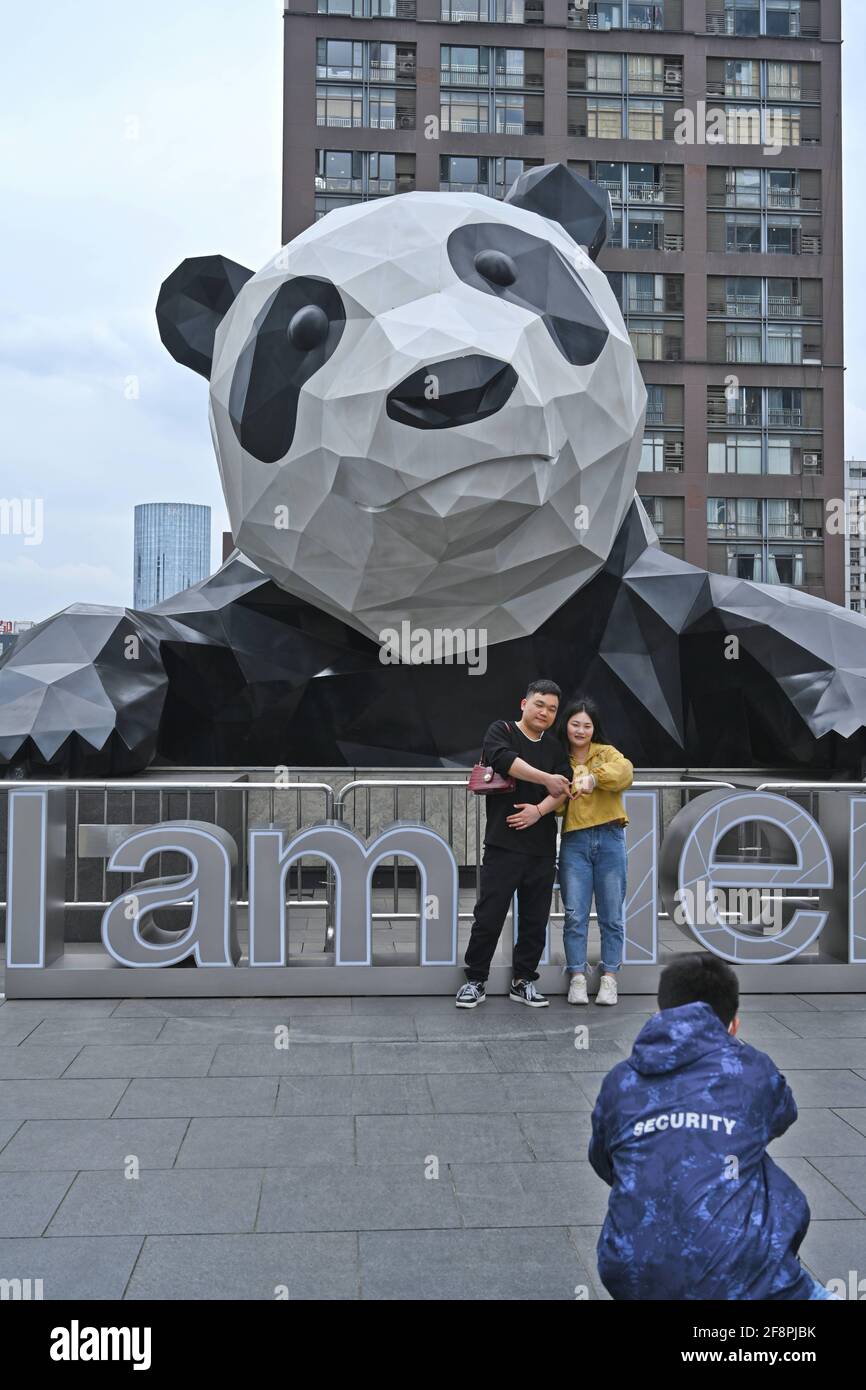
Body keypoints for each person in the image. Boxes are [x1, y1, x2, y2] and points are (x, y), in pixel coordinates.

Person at [588, 953, 839, 1300]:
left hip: (630, 1272)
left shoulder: (621, 1080)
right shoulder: (751, 1069)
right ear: (733, 1025)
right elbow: (783, 1115)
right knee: (752, 1164)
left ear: (660, 1013)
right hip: (741, 1275)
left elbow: (604, 1162)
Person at [456, 680, 573, 1009]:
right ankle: (475, 980)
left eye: (552, 709)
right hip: (502, 844)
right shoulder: (502, 730)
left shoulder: (554, 747)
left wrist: (538, 811)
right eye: (540, 704)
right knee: (489, 915)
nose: (545, 712)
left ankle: (524, 980)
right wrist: (546, 778)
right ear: (524, 703)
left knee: (535, 919)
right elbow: (505, 760)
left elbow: (564, 786)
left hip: (541, 847)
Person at [554, 696, 633, 1007]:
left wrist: (595, 778)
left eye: (587, 725)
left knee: (612, 915)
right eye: (575, 724)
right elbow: (558, 805)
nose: (581, 730)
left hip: (611, 838)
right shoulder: (560, 758)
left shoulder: (606, 753)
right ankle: (577, 977)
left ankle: (609, 978)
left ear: (594, 728)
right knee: (575, 914)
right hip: (575, 841)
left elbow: (625, 773)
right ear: (567, 726)